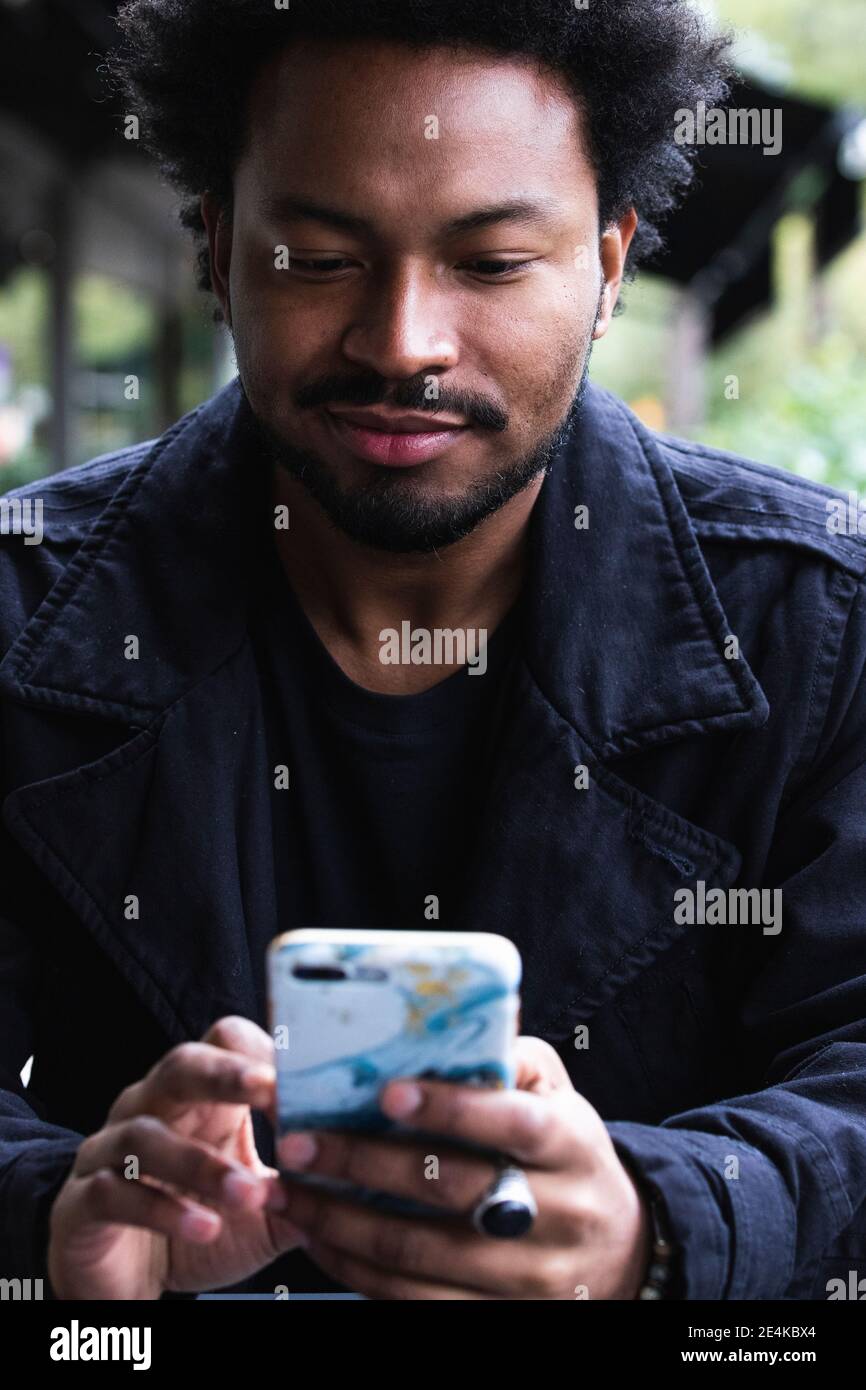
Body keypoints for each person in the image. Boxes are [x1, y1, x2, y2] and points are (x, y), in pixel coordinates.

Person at [1, 0, 864, 1302]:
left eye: (493, 262)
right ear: (219, 250)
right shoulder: (19, 617)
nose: (403, 340)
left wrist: (656, 1227)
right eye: (317, 256)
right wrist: (60, 1221)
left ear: (610, 261)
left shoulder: (817, 628)